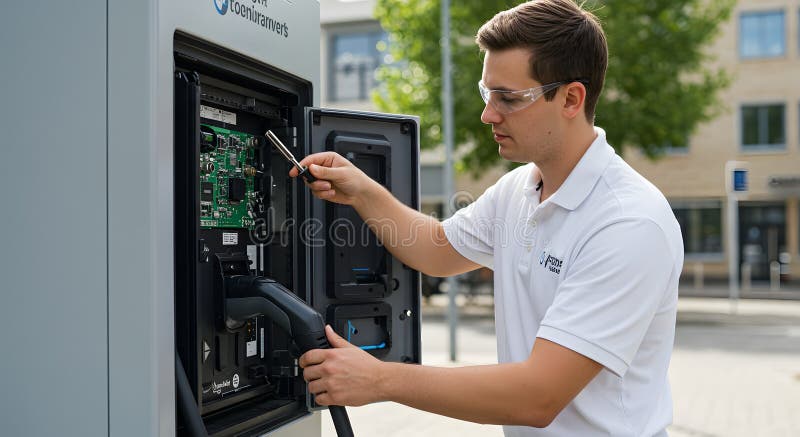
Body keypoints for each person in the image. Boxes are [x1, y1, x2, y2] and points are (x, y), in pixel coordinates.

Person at [292, 0, 683, 435]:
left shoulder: (629, 223)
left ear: (571, 98)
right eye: (487, 93)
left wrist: (380, 378)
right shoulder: (518, 189)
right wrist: (363, 191)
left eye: (509, 98)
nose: (487, 114)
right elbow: (436, 250)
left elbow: (538, 396)